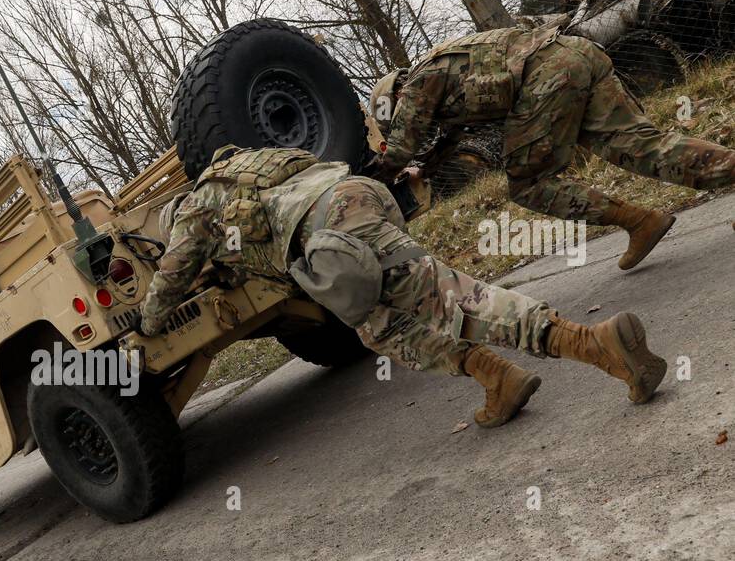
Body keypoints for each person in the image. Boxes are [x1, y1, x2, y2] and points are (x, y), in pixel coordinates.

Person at [139, 145, 667, 426]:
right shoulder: (252, 167)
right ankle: (496, 377)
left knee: (453, 299)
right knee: (380, 327)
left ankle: (594, 345)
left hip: (336, 229)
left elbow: (173, 274)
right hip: (358, 197)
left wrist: (149, 323)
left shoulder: (192, 210)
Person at [370, 24, 735, 270]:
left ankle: (639, 221)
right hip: (575, 53)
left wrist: (375, 176)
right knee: (634, 145)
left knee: (529, 183)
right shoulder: (443, 70)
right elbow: (450, 138)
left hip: (546, 75)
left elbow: (402, 146)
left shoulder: (417, 84)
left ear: (395, 94)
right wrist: (426, 169)